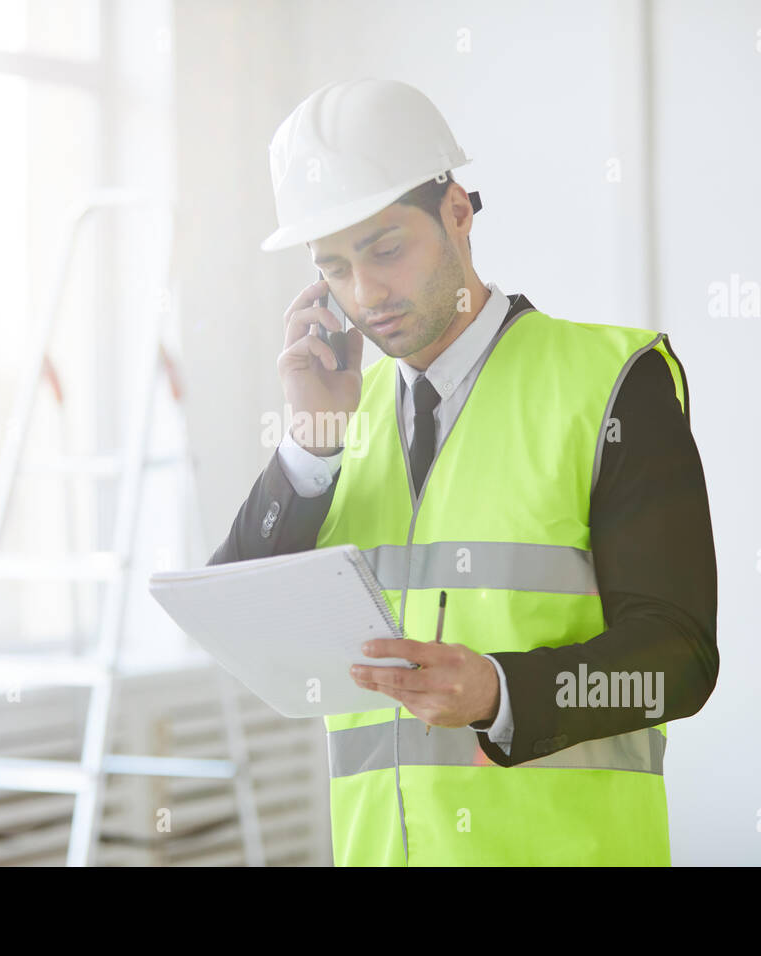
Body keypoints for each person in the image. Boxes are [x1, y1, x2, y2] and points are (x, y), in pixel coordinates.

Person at [208, 78, 718, 866]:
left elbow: (678, 662)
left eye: (385, 249)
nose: (366, 293)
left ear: (457, 213)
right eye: (335, 268)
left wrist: (499, 693)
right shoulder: (339, 415)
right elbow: (240, 624)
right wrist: (308, 444)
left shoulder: (613, 380)